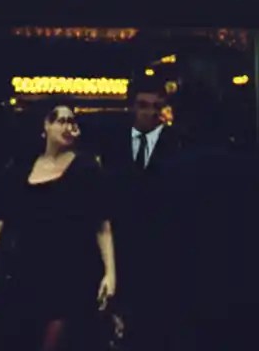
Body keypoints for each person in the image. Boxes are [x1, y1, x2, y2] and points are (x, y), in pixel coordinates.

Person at [0, 101, 117, 351]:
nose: (68, 127)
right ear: (45, 126)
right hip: (27, 272)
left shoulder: (86, 168)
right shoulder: (22, 169)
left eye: (72, 122)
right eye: (61, 120)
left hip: (71, 274)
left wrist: (110, 273)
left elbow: (102, 225)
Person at [98, 76, 185, 351]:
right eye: (143, 105)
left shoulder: (176, 145)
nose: (149, 112)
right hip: (119, 249)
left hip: (162, 254)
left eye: (156, 106)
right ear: (131, 108)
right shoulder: (111, 144)